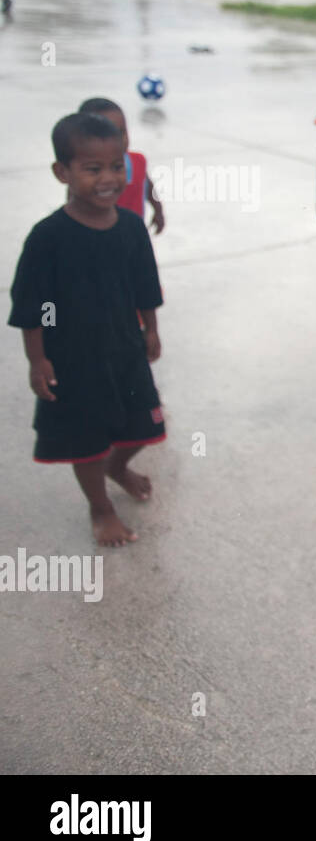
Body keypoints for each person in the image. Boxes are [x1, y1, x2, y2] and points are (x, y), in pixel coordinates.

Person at [8, 113, 165, 547]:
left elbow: (144, 282)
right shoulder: (49, 237)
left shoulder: (131, 228)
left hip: (125, 348)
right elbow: (34, 304)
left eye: (117, 166)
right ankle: (101, 507)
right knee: (87, 440)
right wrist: (37, 358)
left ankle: (119, 466)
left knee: (147, 424)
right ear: (62, 172)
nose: (108, 178)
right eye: (92, 169)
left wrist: (150, 328)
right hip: (74, 358)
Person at [78, 98, 165, 234]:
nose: (117, 141)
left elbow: (148, 186)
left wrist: (158, 211)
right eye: (105, 135)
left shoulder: (138, 160)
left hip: (135, 233)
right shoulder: (84, 174)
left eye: (121, 132)